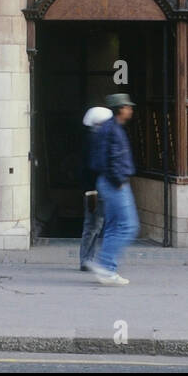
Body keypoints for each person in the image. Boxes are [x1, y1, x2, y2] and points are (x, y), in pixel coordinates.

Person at [83, 93, 139, 286]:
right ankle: (105, 265)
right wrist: (119, 180)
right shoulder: (113, 130)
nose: (130, 110)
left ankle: (108, 270)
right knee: (129, 226)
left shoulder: (109, 129)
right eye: (128, 107)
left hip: (109, 182)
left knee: (115, 227)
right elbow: (111, 159)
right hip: (114, 183)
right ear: (120, 109)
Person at [79, 103, 112, 271]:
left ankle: (89, 258)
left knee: (94, 225)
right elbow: (92, 167)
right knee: (93, 224)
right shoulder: (94, 140)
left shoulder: (93, 138)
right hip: (94, 189)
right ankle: (87, 259)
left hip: (93, 188)